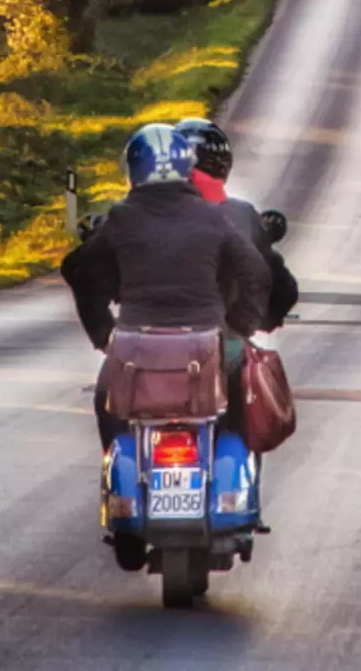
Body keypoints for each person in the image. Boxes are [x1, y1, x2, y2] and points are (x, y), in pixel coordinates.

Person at [61, 122, 270, 449]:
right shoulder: (212, 217)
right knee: (237, 407)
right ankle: (232, 477)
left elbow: (77, 269)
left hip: (136, 348)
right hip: (207, 344)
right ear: (187, 168)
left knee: (106, 400)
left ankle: (116, 481)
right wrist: (240, 325)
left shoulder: (120, 219)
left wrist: (104, 334)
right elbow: (256, 271)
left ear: (133, 171)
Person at [175, 118, 299, 331]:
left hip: (140, 339)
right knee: (258, 361)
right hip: (217, 334)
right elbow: (279, 287)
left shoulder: (134, 214)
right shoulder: (241, 214)